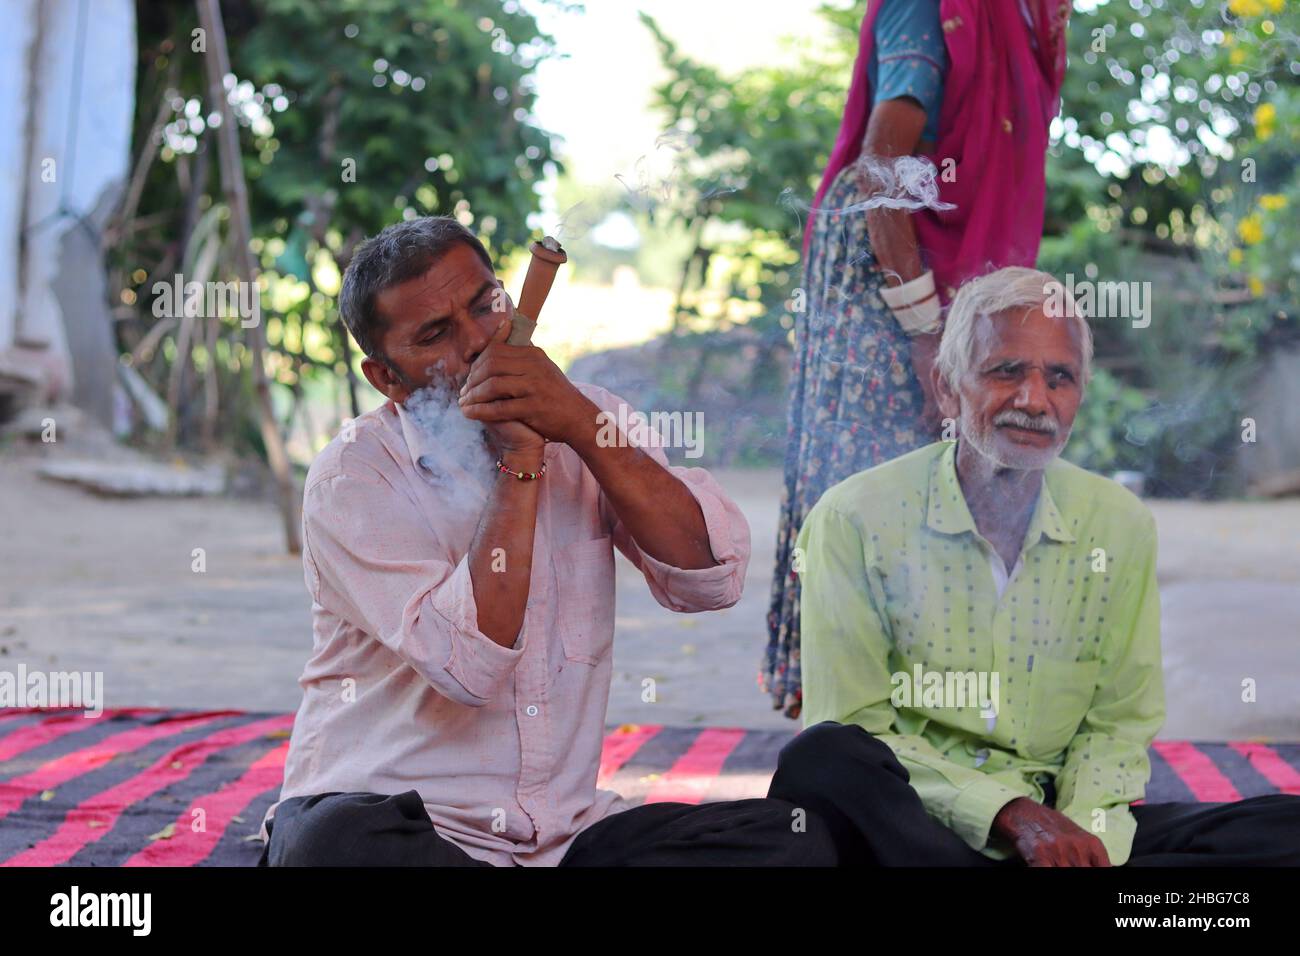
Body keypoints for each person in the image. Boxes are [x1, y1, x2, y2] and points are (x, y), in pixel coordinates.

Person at [256, 215, 849, 866]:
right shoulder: (354, 475)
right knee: (333, 849)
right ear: (387, 379)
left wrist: (581, 427)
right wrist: (521, 459)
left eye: (486, 305)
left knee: (795, 843)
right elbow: (471, 669)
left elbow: (709, 577)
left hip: (561, 842)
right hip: (398, 823)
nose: (480, 340)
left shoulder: (583, 412)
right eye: (435, 334)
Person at [785, 267, 1300, 865]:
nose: (1034, 401)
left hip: (1059, 820)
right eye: (1006, 372)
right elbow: (853, 729)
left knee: (1283, 829)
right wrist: (1009, 816)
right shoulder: (854, 517)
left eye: (1060, 378)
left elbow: (1116, 726)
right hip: (914, 827)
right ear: (948, 388)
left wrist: (1084, 842)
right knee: (822, 757)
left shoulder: (1118, 524)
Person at [764, 0, 1072, 718]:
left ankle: (940, 717)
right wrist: (927, 335)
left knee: (960, 489)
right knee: (882, 485)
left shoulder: (1027, 24)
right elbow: (883, 168)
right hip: (890, 265)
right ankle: (852, 722)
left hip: (952, 285)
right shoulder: (940, 7)